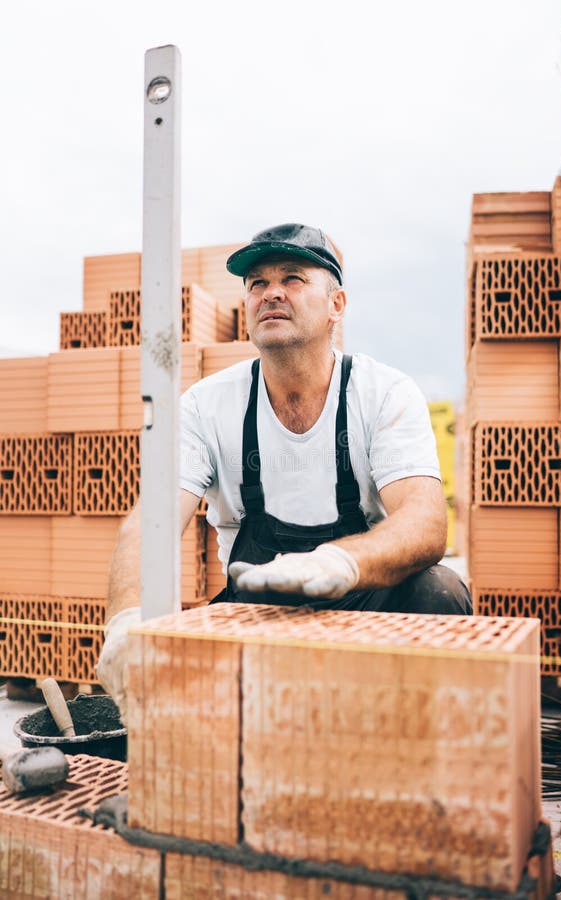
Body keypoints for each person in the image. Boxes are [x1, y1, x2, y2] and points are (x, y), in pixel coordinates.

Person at [97, 223, 471, 721]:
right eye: (257, 283)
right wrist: (125, 620)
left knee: (439, 591)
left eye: (293, 278)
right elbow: (151, 523)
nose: (271, 293)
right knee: (179, 688)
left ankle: (412, 752)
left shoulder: (382, 392)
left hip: (364, 605)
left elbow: (425, 522)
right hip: (255, 612)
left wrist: (337, 563)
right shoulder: (206, 406)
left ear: (336, 304)